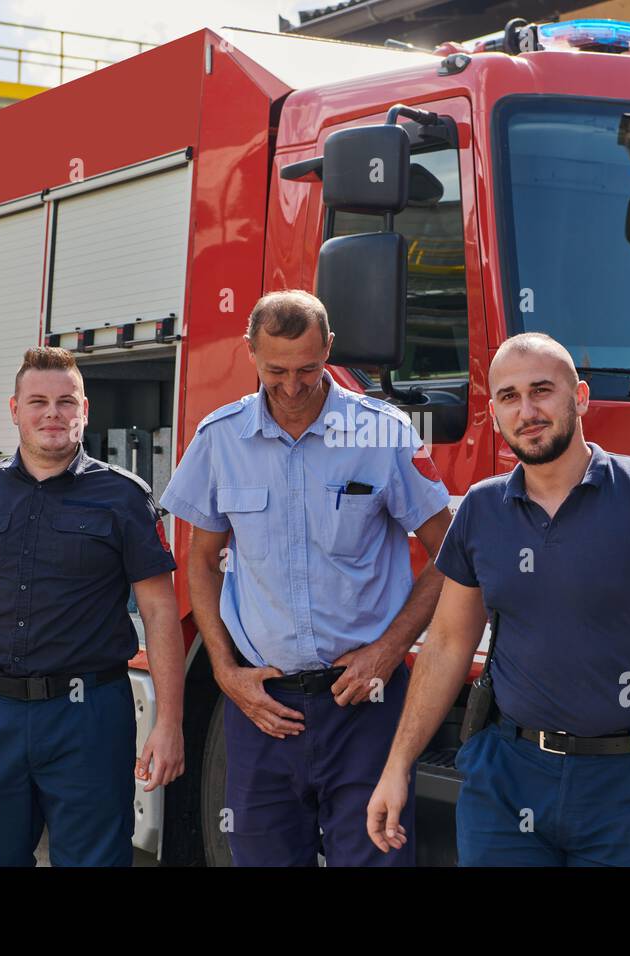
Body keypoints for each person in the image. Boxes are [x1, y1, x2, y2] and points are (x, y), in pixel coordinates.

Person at [367, 332, 630, 867]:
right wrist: (398, 766)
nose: (526, 411)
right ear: (494, 411)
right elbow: (446, 645)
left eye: (541, 391)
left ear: (579, 396)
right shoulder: (483, 509)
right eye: (508, 397)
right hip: (506, 780)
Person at [160, 290, 452, 866]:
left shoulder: (384, 434)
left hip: (365, 706)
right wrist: (224, 670)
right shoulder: (220, 440)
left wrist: (388, 652)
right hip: (262, 709)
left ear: (330, 351)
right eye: (276, 371)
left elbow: (452, 556)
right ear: (250, 353)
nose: (293, 386)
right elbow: (200, 561)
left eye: (308, 369)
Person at [0, 346, 185, 866]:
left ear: (85, 410)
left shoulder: (124, 499)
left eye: (66, 402)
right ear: (14, 409)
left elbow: (161, 613)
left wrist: (169, 722)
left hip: (89, 719)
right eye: (39, 401)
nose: (53, 413)